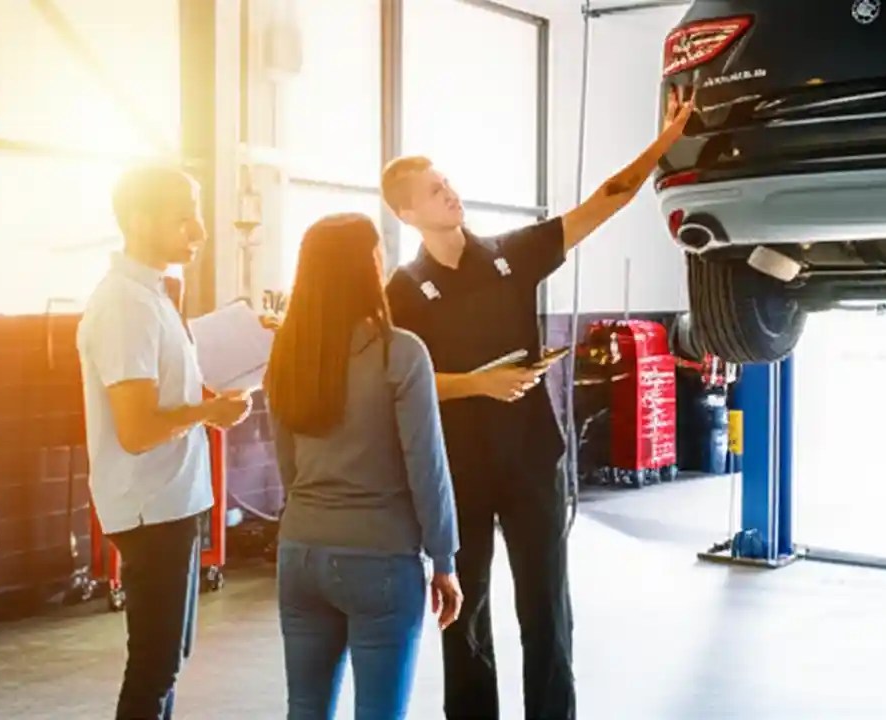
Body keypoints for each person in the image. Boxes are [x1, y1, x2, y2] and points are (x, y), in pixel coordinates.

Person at [381, 98, 694, 719]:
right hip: (459, 470)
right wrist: (476, 384)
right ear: (407, 211)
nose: (450, 194)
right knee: (463, 612)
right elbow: (399, 386)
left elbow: (605, 199)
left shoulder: (510, 253)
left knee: (546, 607)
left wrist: (666, 141)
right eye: (434, 191)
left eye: (448, 183)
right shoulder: (402, 290)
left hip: (532, 460)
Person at [265, 213, 463, 720]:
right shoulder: (400, 353)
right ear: (369, 266)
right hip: (379, 558)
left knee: (304, 708)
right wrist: (444, 558)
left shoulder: (288, 354)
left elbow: (287, 464)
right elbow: (427, 465)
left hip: (300, 553)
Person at [77, 165, 254, 720]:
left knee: (166, 662)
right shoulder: (126, 304)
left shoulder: (151, 295)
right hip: (150, 506)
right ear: (138, 220)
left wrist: (206, 403)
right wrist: (209, 411)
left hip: (171, 502)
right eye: (184, 218)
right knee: (154, 668)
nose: (198, 232)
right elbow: (136, 430)